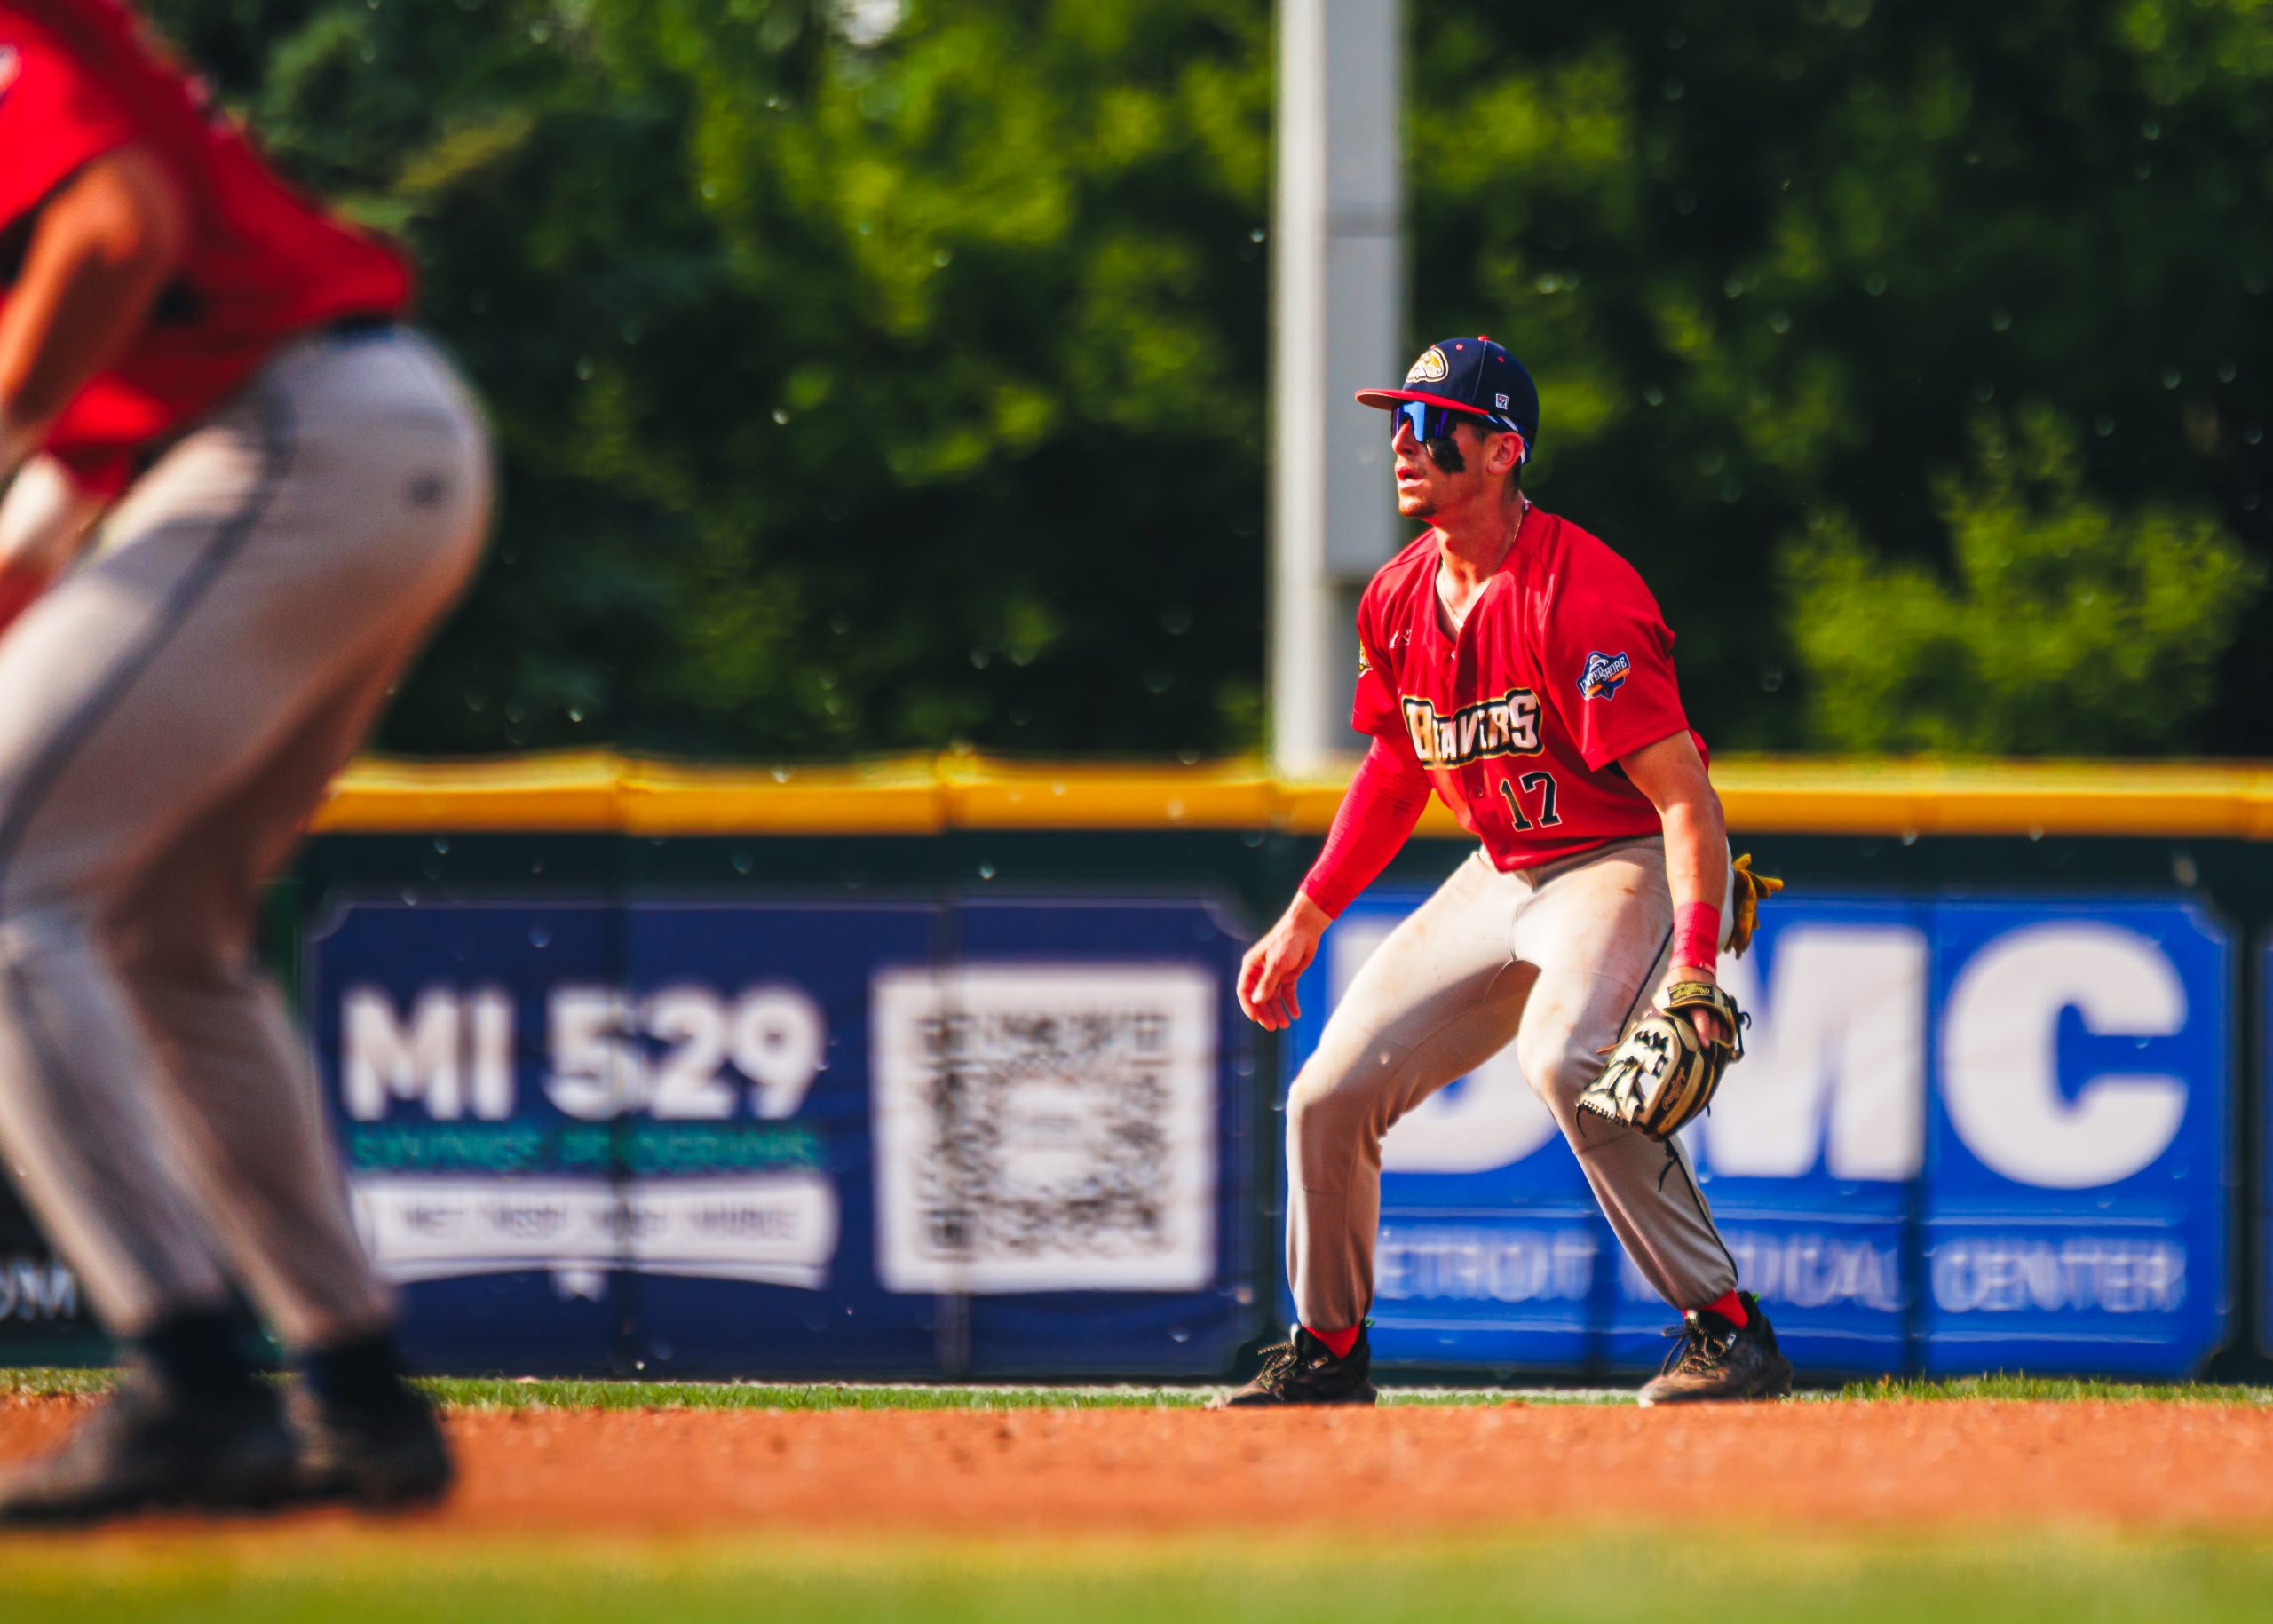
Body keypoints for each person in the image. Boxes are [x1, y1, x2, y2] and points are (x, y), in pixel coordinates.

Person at [0, 0, 490, 1521]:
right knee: (164, 935)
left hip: (294, 439)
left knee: (14, 883)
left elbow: (114, 230)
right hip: (358, 441)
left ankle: (194, 1379)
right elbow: (91, 421)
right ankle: (357, 1386)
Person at [1222, 336, 1791, 1407]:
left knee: (1566, 1060)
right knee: (1325, 1096)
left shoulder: (1583, 598)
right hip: (1502, 871)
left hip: (1612, 859)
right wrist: (1305, 915)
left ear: (1499, 451)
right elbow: (1397, 765)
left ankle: (1727, 1327)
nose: (1404, 441)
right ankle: (1328, 1351)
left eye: (1432, 426)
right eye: (1397, 422)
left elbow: (1684, 799)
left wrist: (1695, 970)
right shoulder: (1395, 599)